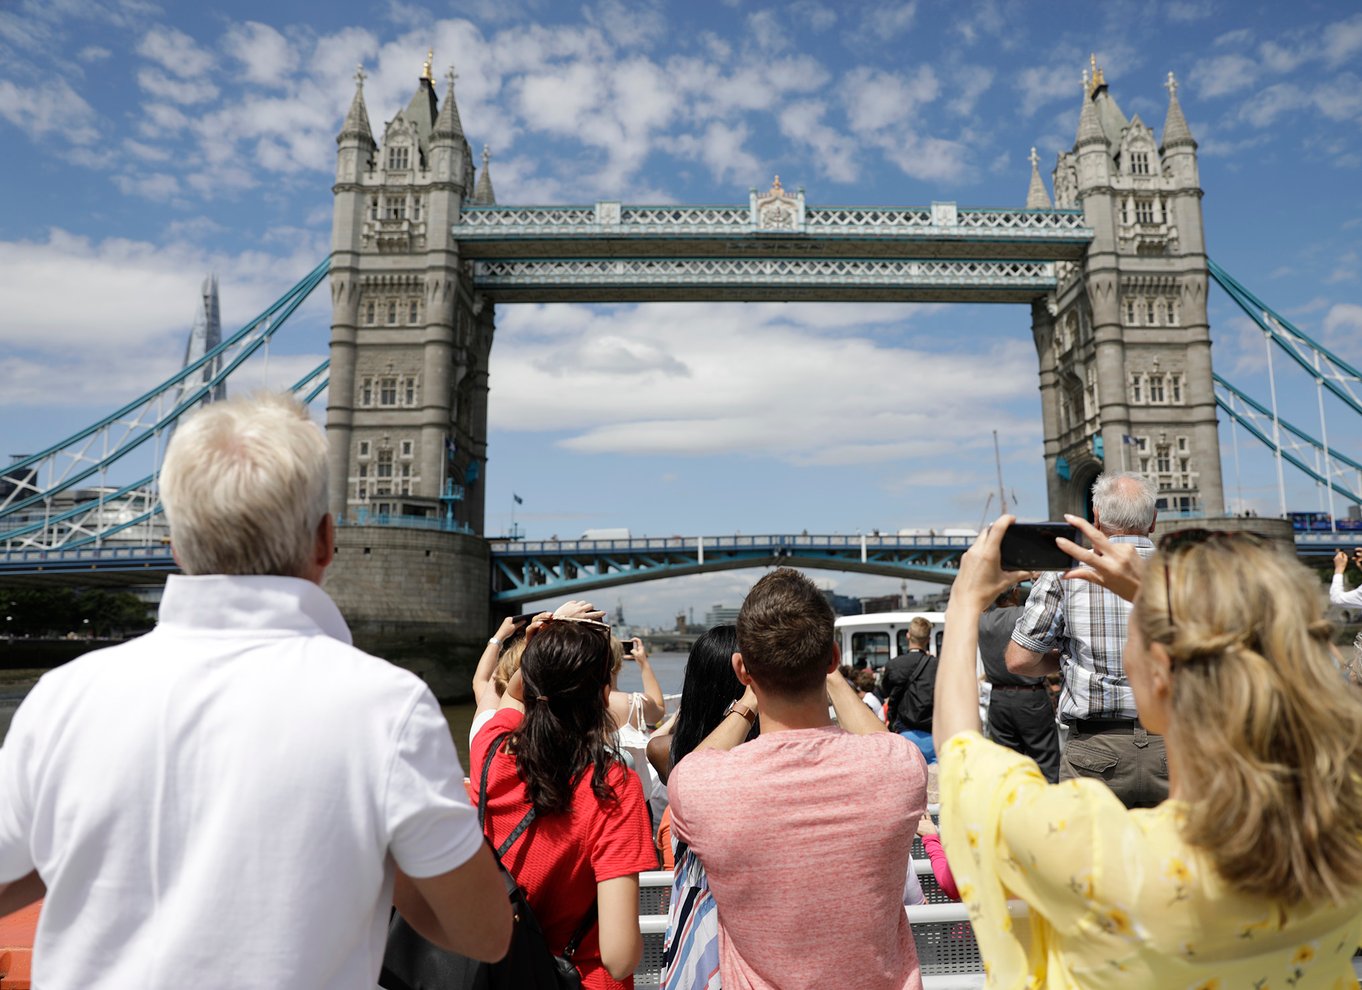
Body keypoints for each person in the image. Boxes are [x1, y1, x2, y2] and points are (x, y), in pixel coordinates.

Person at [0, 393, 510, 987]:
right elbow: (486, 934)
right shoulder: (384, 709)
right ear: (326, 541)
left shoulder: (64, 697)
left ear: (175, 545)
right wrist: (371, 840)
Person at [933, 515, 1362, 987]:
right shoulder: (1342, 829)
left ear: (1160, 671)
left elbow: (960, 754)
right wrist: (1158, 600)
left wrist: (963, 601)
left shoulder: (1097, 851)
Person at [669, 568, 927, 990]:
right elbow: (886, 746)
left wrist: (747, 703)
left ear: (741, 669)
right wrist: (834, 677)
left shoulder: (702, 786)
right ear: (832, 658)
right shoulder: (898, 769)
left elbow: (693, 765)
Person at [472, 617, 657, 990]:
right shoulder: (614, 787)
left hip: (498, 973)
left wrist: (533, 641)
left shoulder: (489, 749)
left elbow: (510, 696)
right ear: (605, 694)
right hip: (582, 979)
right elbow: (620, 958)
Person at [1005, 471, 1166, 807]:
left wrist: (1064, 659)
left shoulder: (1066, 571)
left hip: (1095, 750)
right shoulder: (1187, 571)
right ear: (1153, 520)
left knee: (1091, 859)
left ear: (1095, 516)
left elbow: (1019, 659)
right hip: (1176, 747)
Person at [979, 585, 1059, 782]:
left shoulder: (981, 621)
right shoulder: (1025, 615)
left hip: (997, 699)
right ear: (1015, 592)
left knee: (1006, 765)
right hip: (1031, 697)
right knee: (1045, 761)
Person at [880, 615, 938, 763]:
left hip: (904, 733)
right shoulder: (938, 665)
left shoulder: (894, 665)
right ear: (928, 639)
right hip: (933, 734)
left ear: (908, 635)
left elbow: (885, 692)